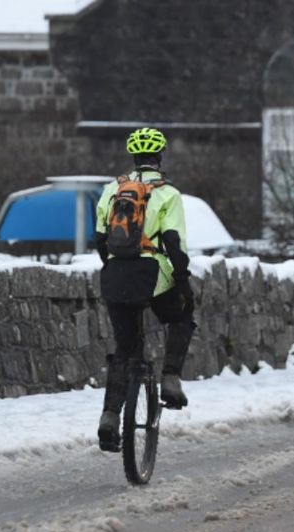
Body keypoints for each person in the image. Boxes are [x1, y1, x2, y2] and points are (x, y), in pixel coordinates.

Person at [95, 127, 196, 453]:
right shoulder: (168, 194)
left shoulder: (112, 189)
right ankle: (170, 379)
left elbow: (99, 239)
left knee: (125, 349)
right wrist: (183, 283)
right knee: (181, 316)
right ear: (159, 156)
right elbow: (175, 246)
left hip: (115, 275)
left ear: (133, 156)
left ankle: (109, 419)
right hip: (152, 274)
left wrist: (115, 265)